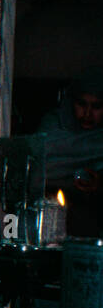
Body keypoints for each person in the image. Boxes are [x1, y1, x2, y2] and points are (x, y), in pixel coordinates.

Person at [39, 68, 103, 236]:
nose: (87, 113)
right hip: (48, 222)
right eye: (81, 104)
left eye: (96, 106)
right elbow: (40, 161)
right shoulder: (54, 123)